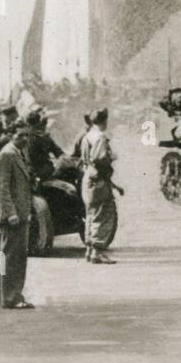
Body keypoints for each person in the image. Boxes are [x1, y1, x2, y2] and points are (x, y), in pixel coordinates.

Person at [0, 123, 35, 309]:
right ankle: (11, 297)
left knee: (7, 255)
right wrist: (11, 213)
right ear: (10, 135)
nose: (24, 139)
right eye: (20, 135)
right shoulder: (8, 154)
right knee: (13, 257)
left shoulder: (16, 153)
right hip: (13, 214)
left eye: (26, 135)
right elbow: (0, 186)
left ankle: (2, 295)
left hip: (18, 212)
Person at [79, 108, 119, 264]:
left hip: (88, 176)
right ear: (104, 121)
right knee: (103, 214)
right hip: (98, 178)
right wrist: (111, 157)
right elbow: (100, 158)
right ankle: (97, 251)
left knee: (91, 214)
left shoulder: (87, 135)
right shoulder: (100, 137)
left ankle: (89, 250)